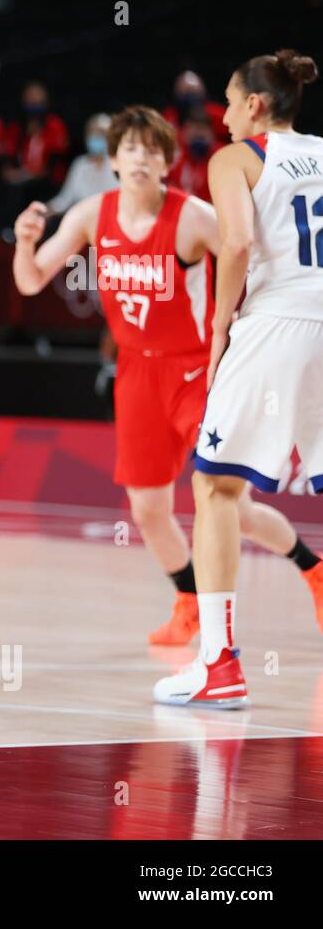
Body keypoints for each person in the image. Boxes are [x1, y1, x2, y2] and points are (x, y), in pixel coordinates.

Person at [11, 105, 322, 652]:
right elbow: (32, 280)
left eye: (152, 151)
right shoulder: (91, 214)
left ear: (168, 164)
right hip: (136, 372)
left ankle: (311, 567)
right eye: (130, 148)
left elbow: (250, 261)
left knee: (226, 502)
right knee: (148, 510)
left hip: (199, 370)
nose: (140, 159)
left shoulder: (193, 216)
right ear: (112, 160)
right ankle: (188, 602)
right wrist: (25, 241)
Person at [154, 50, 323, 708]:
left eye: (227, 101)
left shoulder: (236, 158)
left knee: (215, 485)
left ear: (255, 104)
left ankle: (218, 663)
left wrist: (222, 323)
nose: (221, 118)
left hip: (278, 322)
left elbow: (239, 243)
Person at [1, 81, 69, 192]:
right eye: (30, 99)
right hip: (20, 183)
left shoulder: (54, 125)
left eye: (37, 99)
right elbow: (9, 157)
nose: (34, 103)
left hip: (49, 184)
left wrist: (33, 173)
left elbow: (57, 159)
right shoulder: (16, 128)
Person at [46, 113, 119, 214]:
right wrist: (45, 210)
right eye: (93, 133)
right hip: (83, 222)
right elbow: (64, 200)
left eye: (101, 134)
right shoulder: (80, 164)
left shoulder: (117, 165)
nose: (96, 137)